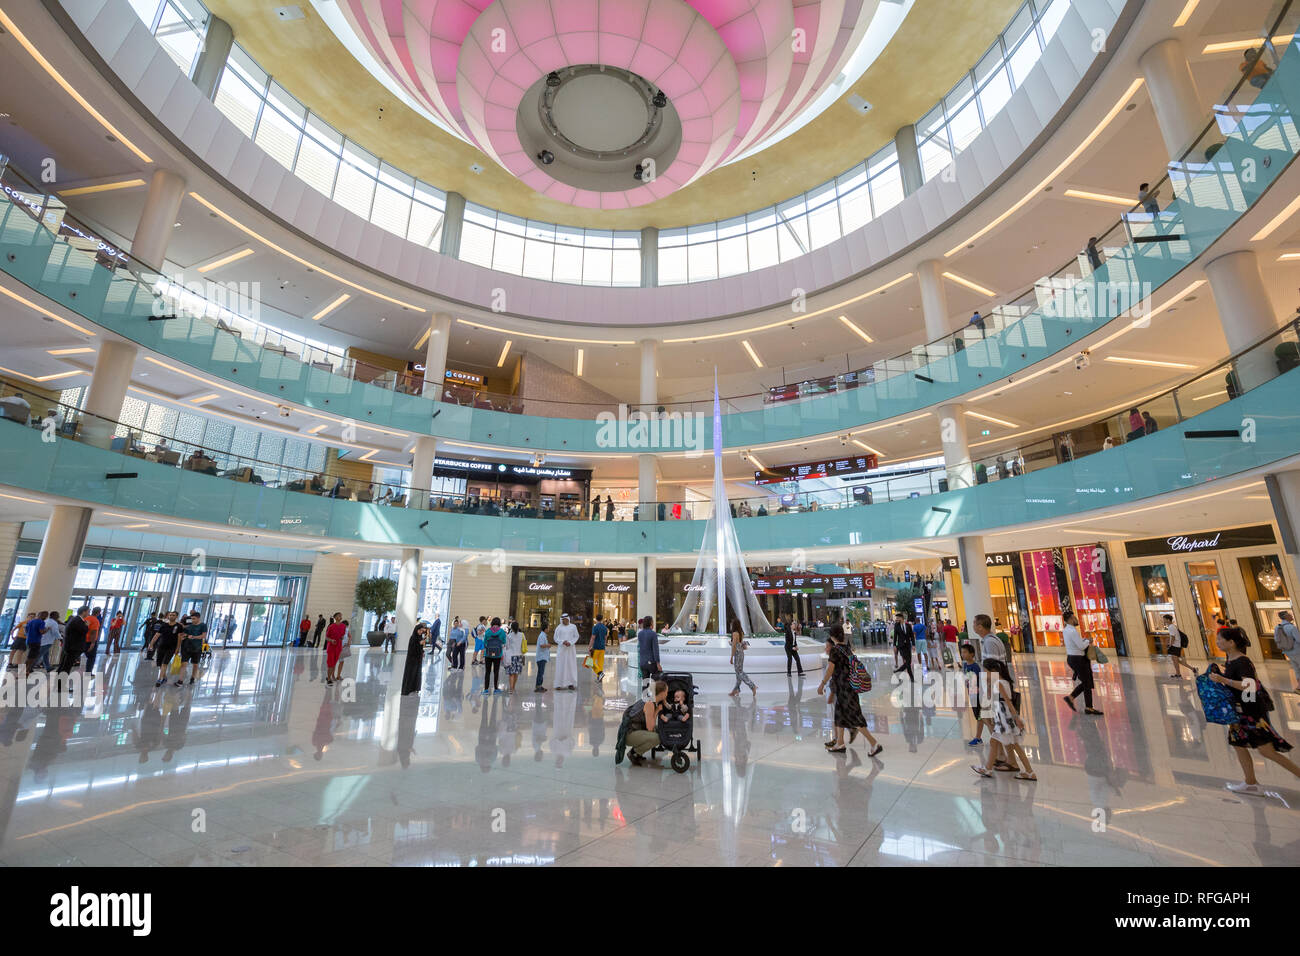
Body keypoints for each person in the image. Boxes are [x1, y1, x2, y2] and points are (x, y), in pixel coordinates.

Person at [1209, 627, 1300, 794]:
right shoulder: (1231, 660)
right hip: (1239, 711)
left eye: (1220, 639)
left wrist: (1223, 679)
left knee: (1267, 751)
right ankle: (1251, 783)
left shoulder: (1241, 661)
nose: (1217, 642)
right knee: (1238, 744)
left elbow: (1249, 685)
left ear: (1232, 642)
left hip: (1250, 712)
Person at [817, 624, 882, 756]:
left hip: (845, 689)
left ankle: (874, 744)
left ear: (832, 636)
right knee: (840, 716)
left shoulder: (835, 650)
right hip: (848, 687)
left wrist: (822, 684)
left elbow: (830, 668)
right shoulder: (846, 648)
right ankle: (840, 743)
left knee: (855, 718)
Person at [971, 657, 1035, 780]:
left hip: (1005, 720)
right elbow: (991, 696)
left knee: (1013, 745)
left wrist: (1016, 718)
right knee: (996, 742)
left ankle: (1029, 772)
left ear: (993, 671)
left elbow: (1008, 702)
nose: (984, 674)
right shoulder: (1000, 682)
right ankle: (988, 769)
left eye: (986, 671)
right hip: (1004, 719)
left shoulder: (1000, 683)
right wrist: (989, 684)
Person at [1061, 610, 1102, 715]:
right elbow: (1081, 646)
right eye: (1074, 618)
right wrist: (1088, 640)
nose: (1076, 619)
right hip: (1078, 659)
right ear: (1070, 619)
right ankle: (1083, 704)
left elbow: (1076, 643)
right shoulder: (1072, 631)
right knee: (1086, 682)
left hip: (1072, 658)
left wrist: (1083, 640)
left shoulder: (1066, 630)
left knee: (1086, 682)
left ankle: (1080, 702)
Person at [625, 681, 668, 765]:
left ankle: (638, 752)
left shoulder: (650, 699)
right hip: (629, 734)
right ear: (662, 693)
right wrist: (657, 711)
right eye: (666, 691)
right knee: (658, 737)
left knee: (660, 730)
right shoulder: (649, 704)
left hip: (635, 730)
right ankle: (634, 753)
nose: (667, 693)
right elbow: (650, 728)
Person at [960, 642, 985, 746]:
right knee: (978, 716)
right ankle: (979, 737)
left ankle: (978, 738)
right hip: (972, 694)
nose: (963, 654)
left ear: (972, 654)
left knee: (980, 716)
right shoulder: (965, 665)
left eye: (965, 652)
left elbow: (981, 681)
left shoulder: (976, 667)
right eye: (962, 652)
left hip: (978, 695)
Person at [151, 611, 182, 688]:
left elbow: (179, 638)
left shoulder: (179, 626)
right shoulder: (164, 625)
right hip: (161, 646)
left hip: (171, 648)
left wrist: (178, 648)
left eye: (173, 615)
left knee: (165, 663)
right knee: (160, 664)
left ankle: (159, 679)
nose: (171, 616)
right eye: (170, 615)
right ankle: (164, 677)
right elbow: (157, 635)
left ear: (176, 617)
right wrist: (151, 644)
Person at [57, 606, 90, 675]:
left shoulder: (75, 619)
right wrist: (86, 625)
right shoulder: (78, 621)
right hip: (72, 647)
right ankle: (61, 682)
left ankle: (59, 680)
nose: (88, 613)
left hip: (70, 646)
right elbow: (83, 631)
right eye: (88, 611)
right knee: (66, 666)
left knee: (64, 665)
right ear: (84, 612)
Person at [728, 621, 757, 698]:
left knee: (739, 672)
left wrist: (731, 657)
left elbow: (734, 646)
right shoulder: (741, 633)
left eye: (731, 624)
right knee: (738, 673)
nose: (730, 625)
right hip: (741, 654)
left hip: (737, 654)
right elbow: (739, 644)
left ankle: (752, 686)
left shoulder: (735, 634)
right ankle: (736, 690)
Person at [1163, 613, 1195, 680]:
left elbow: (1173, 637)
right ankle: (1193, 669)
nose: (1164, 620)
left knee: (1175, 661)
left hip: (1175, 646)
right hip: (1177, 645)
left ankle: (1178, 675)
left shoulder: (1171, 627)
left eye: (1164, 619)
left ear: (1168, 620)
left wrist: (1169, 645)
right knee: (1177, 660)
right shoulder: (1173, 626)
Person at [552, 612, 579, 691]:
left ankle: (571, 683)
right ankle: (559, 684)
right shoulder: (558, 628)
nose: (565, 621)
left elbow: (576, 636)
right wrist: (563, 642)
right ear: (561, 620)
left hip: (570, 650)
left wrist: (570, 642)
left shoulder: (573, 627)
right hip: (561, 650)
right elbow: (555, 638)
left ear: (568, 619)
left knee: (571, 665)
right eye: (563, 620)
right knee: (561, 665)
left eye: (566, 619)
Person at [179, 610, 206, 686]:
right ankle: (180, 680)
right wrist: (184, 636)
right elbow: (184, 634)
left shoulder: (203, 626)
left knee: (195, 664)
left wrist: (194, 637)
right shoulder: (189, 626)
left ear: (198, 618)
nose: (192, 620)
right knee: (184, 663)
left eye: (194, 619)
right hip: (187, 647)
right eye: (192, 618)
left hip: (197, 648)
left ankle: (193, 678)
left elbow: (203, 636)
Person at [400, 622, 428, 696]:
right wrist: (419, 643)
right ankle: (408, 689)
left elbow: (420, 647)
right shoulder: (413, 638)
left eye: (422, 631)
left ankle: (415, 688)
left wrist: (422, 651)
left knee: (416, 673)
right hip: (412, 659)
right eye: (420, 630)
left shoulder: (420, 637)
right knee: (411, 673)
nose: (421, 632)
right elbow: (412, 649)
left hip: (418, 658)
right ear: (416, 630)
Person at [1274, 610, 1300, 689]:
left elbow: (1276, 639)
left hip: (1287, 652)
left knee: (1296, 668)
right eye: (1290, 615)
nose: (1292, 616)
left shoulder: (1277, 627)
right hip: (1297, 651)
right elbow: (1299, 640)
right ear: (1286, 617)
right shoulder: (1292, 627)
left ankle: (1299, 685)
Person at [481, 616, 507, 694]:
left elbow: (484, 642)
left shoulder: (488, 631)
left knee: (487, 672)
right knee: (496, 672)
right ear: (499, 623)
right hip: (498, 654)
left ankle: (486, 689)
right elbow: (504, 642)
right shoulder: (502, 632)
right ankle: (496, 689)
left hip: (488, 654)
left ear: (492, 623)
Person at [324, 612, 348, 685]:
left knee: (334, 663)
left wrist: (342, 638)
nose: (340, 617)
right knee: (330, 663)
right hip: (331, 647)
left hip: (338, 647)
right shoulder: (331, 626)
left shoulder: (343, 626)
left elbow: (342, 635)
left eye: (341, 615)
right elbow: (326, 637)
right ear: (335, 617)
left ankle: (329, 676)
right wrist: (331, 640)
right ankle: (328, 679)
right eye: (338, 616)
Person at [636, 615, 661, 684]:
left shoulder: (640, 633)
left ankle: (645, 694)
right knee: (655, 681)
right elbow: (655, 649)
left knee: (645, 682)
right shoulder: (653, 634)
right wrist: (658, 663)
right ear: (651, 623)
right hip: (651, 662)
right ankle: (654, 694)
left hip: (642, 662)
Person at [892, 611, 914, 681]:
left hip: (908, 645)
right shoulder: (896, 625)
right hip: (901, 646)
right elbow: (895, 636)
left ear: (902, 618)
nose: (897, 619)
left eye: (898, 618)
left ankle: (898, 670)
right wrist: (894, 645)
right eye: (896, 618)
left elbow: (912, 636)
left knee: (909, 662)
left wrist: (913, 644)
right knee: (907, 662)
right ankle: (912, 677)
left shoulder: (908, 625)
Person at [504, 622, 525, 693]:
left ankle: (511, 688)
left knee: (511, 673)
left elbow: (507, 647)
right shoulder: (522, 635)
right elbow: (524, 645)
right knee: (516, 673)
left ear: (511, 628)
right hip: (519, 656)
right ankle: (513, 687)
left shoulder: (509, 636)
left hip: (511, 656)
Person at [782, 612, 804, 676]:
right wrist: (792, 647)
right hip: (788, 647)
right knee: (790, 659)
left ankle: (800, 672)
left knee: (797, 659)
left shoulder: (794, 632)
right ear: (791, 625)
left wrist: (796, 646)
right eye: (794, 624)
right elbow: (787, 642)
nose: (795, 625)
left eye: (795, 624)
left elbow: (794, 640)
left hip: (793, 647)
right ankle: (789, 673)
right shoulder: (788, 632)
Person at [589, 614, 607, 684]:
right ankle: (599, 678)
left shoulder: (595, 627)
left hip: (595, 647)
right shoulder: (605, 628)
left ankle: (600, 673)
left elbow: (593, 637)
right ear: (602, 619)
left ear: (596, 619)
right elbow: (605, 638)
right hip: (602, 648)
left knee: (590, 662)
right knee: (600, 663)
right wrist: (604, 644)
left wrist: (590, 646)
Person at [534, 625, 550, 692]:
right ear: (545, 629)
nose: (549, 629)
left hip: (543, 656)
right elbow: (541, 645)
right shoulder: (542, 636)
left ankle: (540, 685)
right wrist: (548, 645)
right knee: (540, 672)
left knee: (541, 672)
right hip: (541, 657)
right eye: (548, 628)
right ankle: (538, 687)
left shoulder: (543, 635)